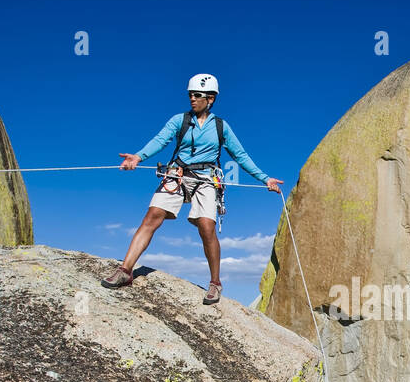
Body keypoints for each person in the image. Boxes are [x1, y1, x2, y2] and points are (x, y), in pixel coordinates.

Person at [101, 74, 282, 303]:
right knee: (152, 216)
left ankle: (215, 283)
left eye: (197, 95)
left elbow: (240, 155)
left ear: (211, 99)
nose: (192, 99)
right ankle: (126, 271)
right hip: (177, 173)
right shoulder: (180, 120)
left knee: (206, 226)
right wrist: (138, 157)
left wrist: (265, 179)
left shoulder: (221, 127)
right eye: (190, 95)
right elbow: (161, 140)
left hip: (206, 178)